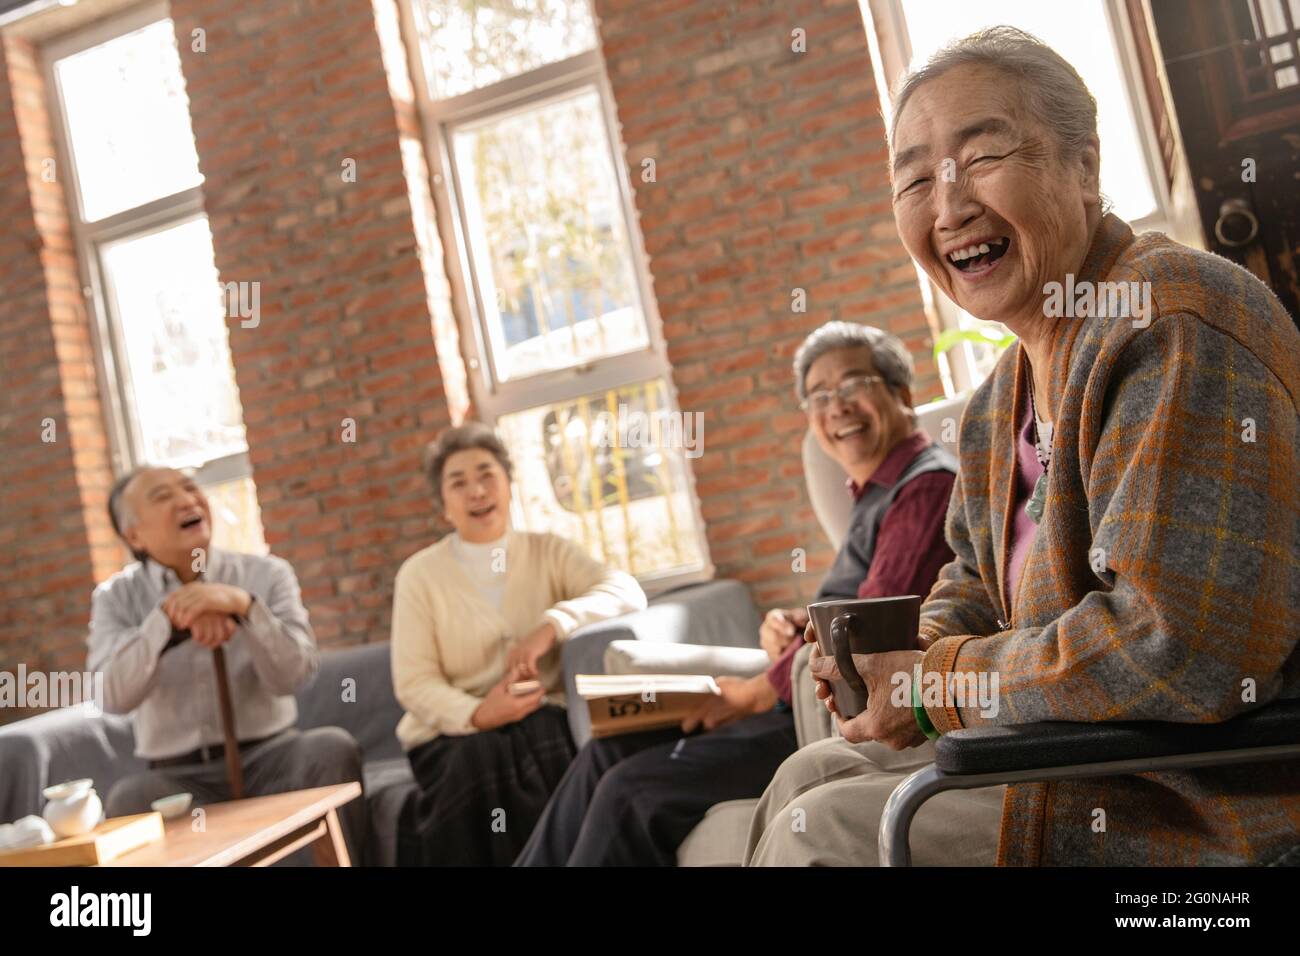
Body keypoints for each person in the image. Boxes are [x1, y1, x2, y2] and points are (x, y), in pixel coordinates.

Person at [746, 26, 1300, 867]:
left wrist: (941, 686)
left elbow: (1182, 647)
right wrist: (900, 652)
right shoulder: (995, 400)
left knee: (819, 834)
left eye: (981, 156)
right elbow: (973, 584)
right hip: (1066, 754)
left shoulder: (1168, 319)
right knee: (806, 776)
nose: (949, 204)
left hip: (1188, 800)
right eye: (914, 178)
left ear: (1085, 166)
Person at [516, 322, 957, 866]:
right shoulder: (877, 495)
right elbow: (866, 606)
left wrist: (744, 694)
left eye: (852, 385)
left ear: (902, 394)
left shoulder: (925, 488)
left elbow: (866, 637)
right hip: (796, 696)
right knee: (603, 753)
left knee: (632, 791)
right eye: (819, 395)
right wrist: (801, 625)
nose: (836, 406)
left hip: (823, 721)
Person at [392, 423, 647, 865]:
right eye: (458, 483)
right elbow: (414, 682)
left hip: (535, 718)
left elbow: (625, 591)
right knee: (486, 751)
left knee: (544, 733)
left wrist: (549, 628)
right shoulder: (418, 575)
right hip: (450, 736)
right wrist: (478, 713)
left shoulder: (548, 551)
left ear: (508, 486)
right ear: (444, 507)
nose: (476, 490)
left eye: (487, 474)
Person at [92, 466, 367, 863]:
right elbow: (111, 695)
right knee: (129, 798)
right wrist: (167, 621)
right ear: (134, 534)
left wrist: (245, 607)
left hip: (272, 759)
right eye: (163, 496)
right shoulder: (115, 598)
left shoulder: (266, 573)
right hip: (177, 779)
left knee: (329, 749)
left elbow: (296, 675)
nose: (187, 500)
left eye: (189, 488)